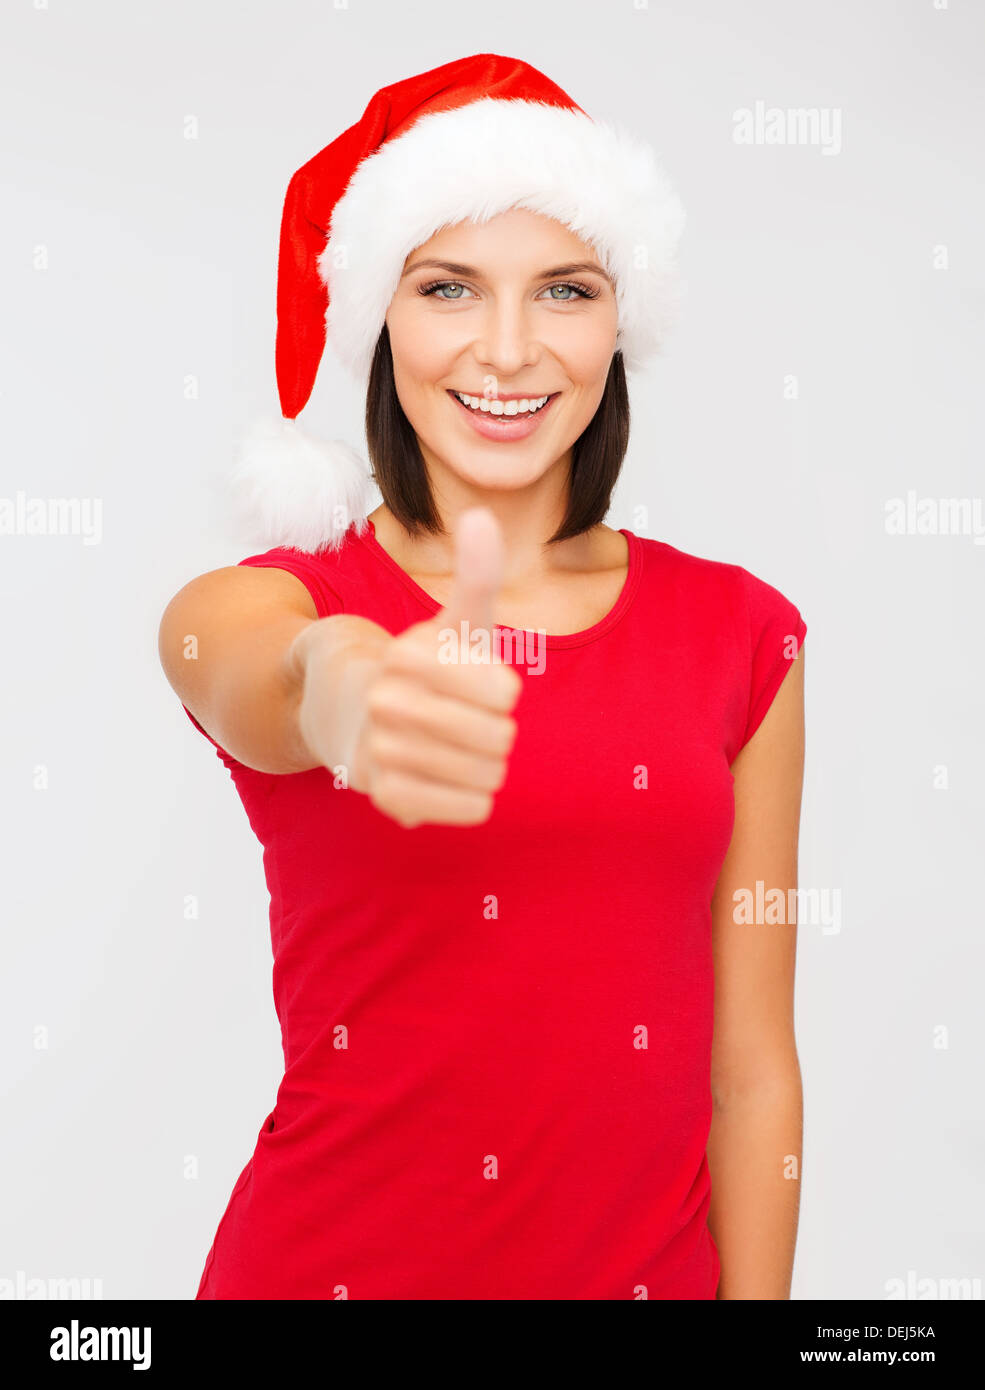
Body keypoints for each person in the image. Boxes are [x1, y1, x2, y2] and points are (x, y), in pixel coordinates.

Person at [159, 53, 807, 1300]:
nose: (507, 351)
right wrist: (338, 687)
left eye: (561, 291)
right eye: (447, 287)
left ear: (620, 319)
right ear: (380, 322)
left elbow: (753, 1066)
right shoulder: (284, 600)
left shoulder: (744, 634)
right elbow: (241, 666)